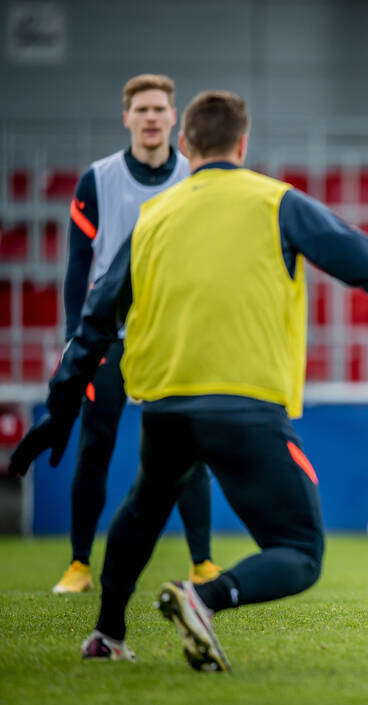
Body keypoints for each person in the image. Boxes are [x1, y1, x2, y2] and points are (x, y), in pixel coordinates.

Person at [10, 90, 368, 670]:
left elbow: (95, 320)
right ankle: (202, 598)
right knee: (300, 551)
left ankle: (107, 632)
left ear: (185, 144)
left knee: (145, 505)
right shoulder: (276, 201)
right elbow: (365, 263)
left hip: (166, 405)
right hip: (244, 406)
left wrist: (58, 409)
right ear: (243, 144)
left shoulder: (154, 216)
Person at [54, 73, 217, 594]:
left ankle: (202, 563)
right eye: (141, 110)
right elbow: (79, 266)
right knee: (95, 444)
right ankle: (79, 565)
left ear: (174, 119)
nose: (150, 117)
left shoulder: (196, 176)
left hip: (173, 335)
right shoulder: (96, 180)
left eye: (159, 109)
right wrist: (73, 339)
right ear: (126, 117)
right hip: (111, 338)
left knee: (188, 448)